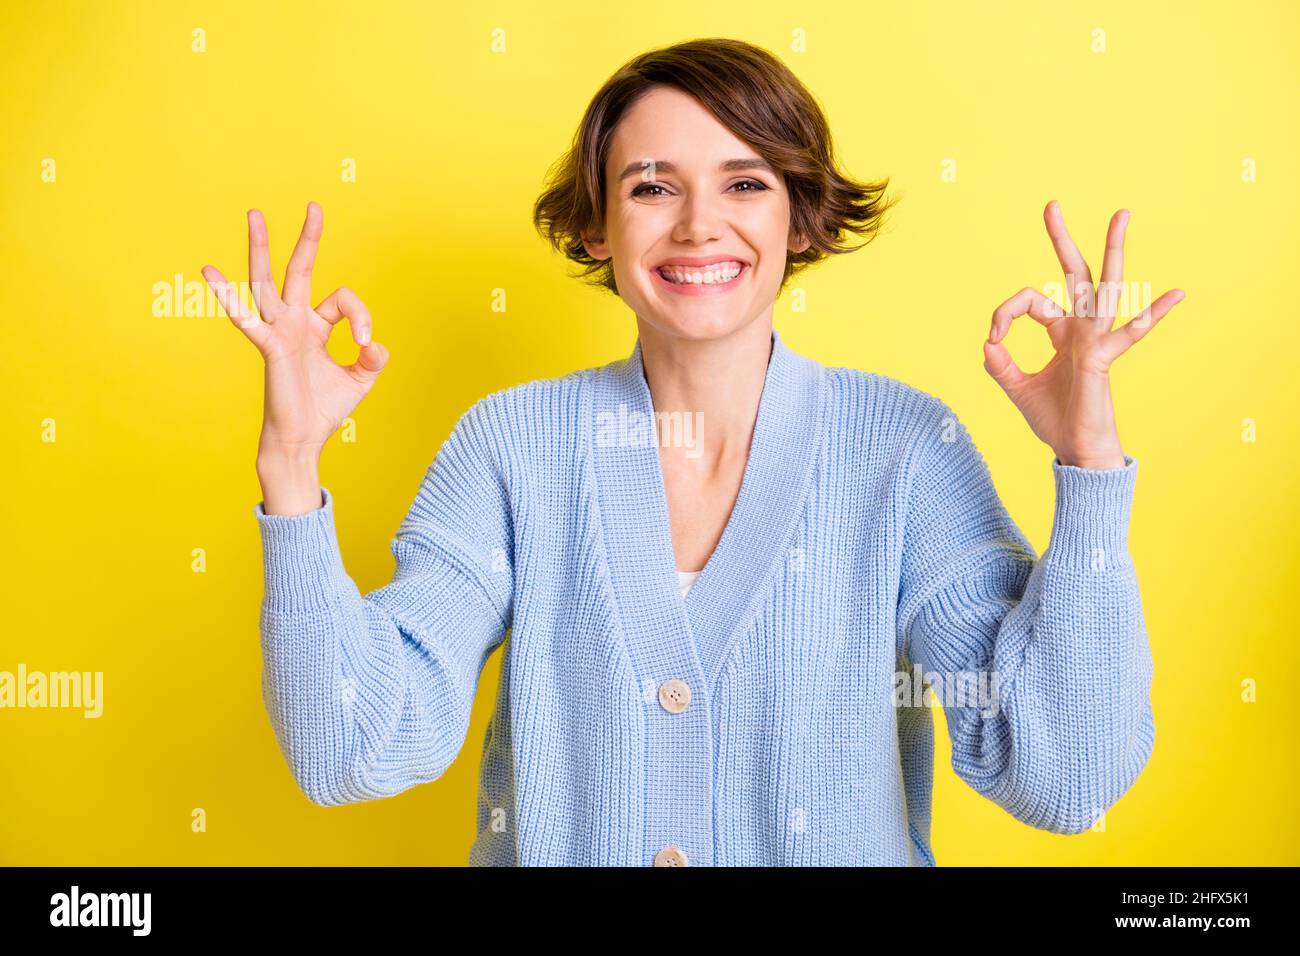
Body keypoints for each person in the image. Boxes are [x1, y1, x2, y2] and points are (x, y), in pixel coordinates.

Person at [201, 37, 1182, 866]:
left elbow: (1061, 774)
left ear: (797, 217)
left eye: (745, 183)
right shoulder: (509, 448)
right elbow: (351, 748)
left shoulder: (903, 450)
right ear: (595, 227)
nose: (698, 224)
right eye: (650, 186)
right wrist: (290, 470)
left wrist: (1089, 463)